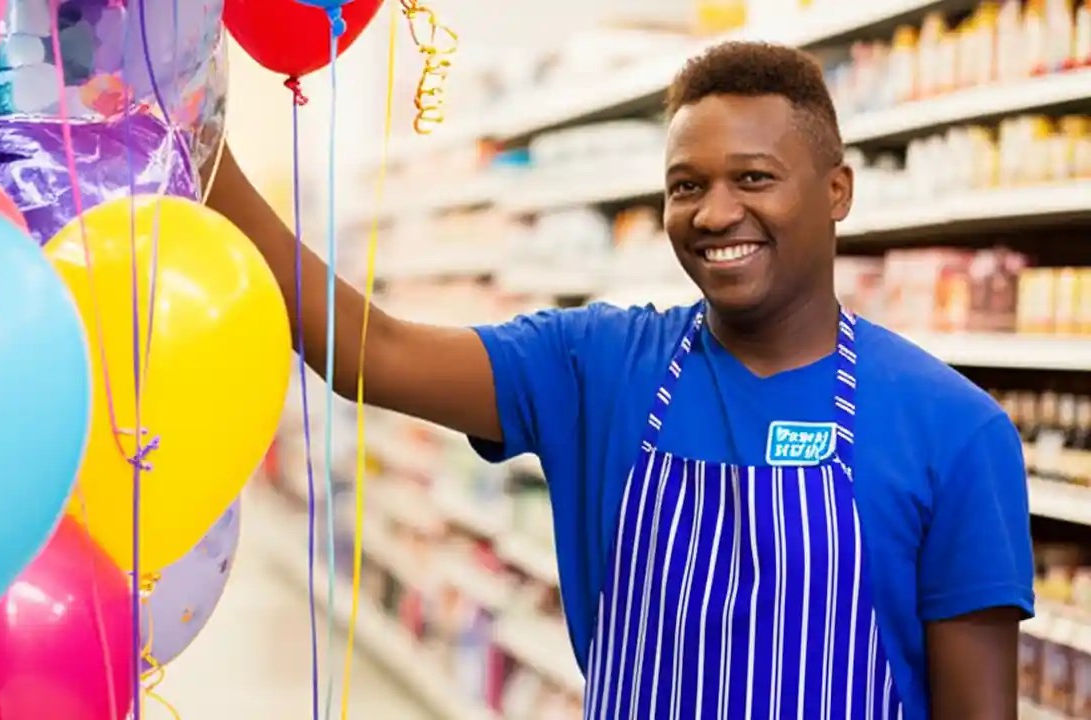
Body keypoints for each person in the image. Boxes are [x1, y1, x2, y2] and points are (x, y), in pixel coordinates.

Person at [207, 41, 1033, 719]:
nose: (713, 213)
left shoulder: (953, 429)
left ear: (837, 191)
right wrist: (200, 138)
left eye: (753, 178)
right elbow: (368, 351)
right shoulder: (595, 366)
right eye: (685, 186)